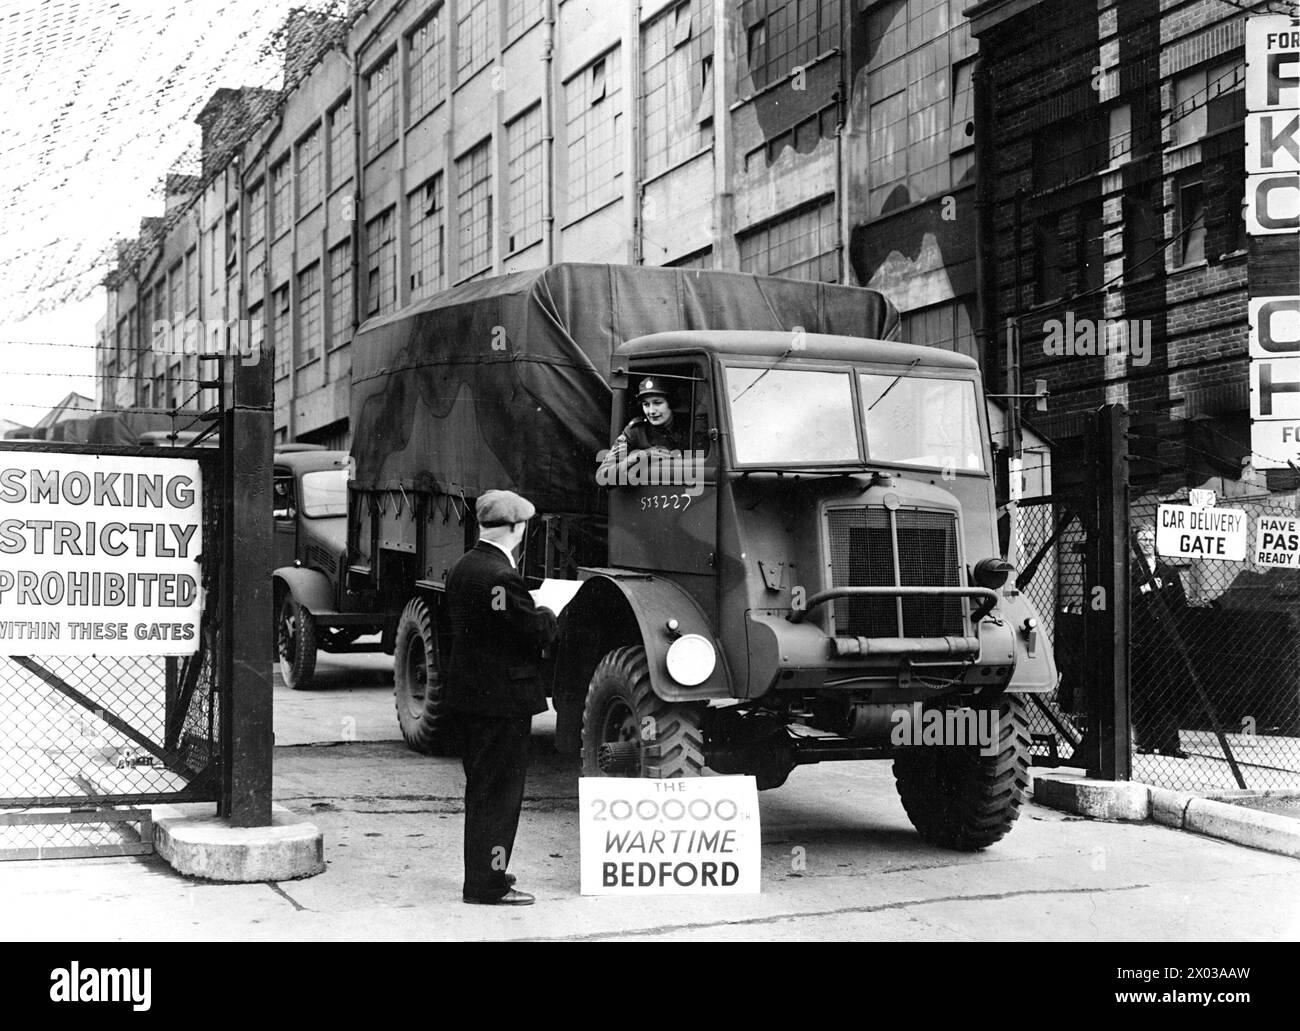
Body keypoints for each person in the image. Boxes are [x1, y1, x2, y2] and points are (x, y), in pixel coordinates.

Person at [443, 489, 559, 905]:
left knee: (483, 790)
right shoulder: (501, 577)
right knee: (500, 796)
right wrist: (548, 612)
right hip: (503, 702)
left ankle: (484, 874)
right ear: (516, 528)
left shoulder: (461, 567)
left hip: (471, 698)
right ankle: (487, 885)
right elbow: (535, 631)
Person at [1130, 524, 1189, 758]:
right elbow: (1125, 599)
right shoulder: (1130, 571)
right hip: (1141, 638)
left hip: (1164, 639)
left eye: (1150, 538)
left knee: (1167, 690)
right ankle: (1145, 741)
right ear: (1136, 543)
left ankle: (1169, 744)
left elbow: (1180, 605)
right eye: (1142, 538)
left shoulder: (1170, 571)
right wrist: (1145, 588)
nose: (1147, 542)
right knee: (1143, 689)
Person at [597, 376, 688, 481]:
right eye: (646, 404)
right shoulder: (635, 431)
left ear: (671, 403)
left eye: (657, 403)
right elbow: (602, 476)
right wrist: (641, 456)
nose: (651, 411)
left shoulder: (689, 425)